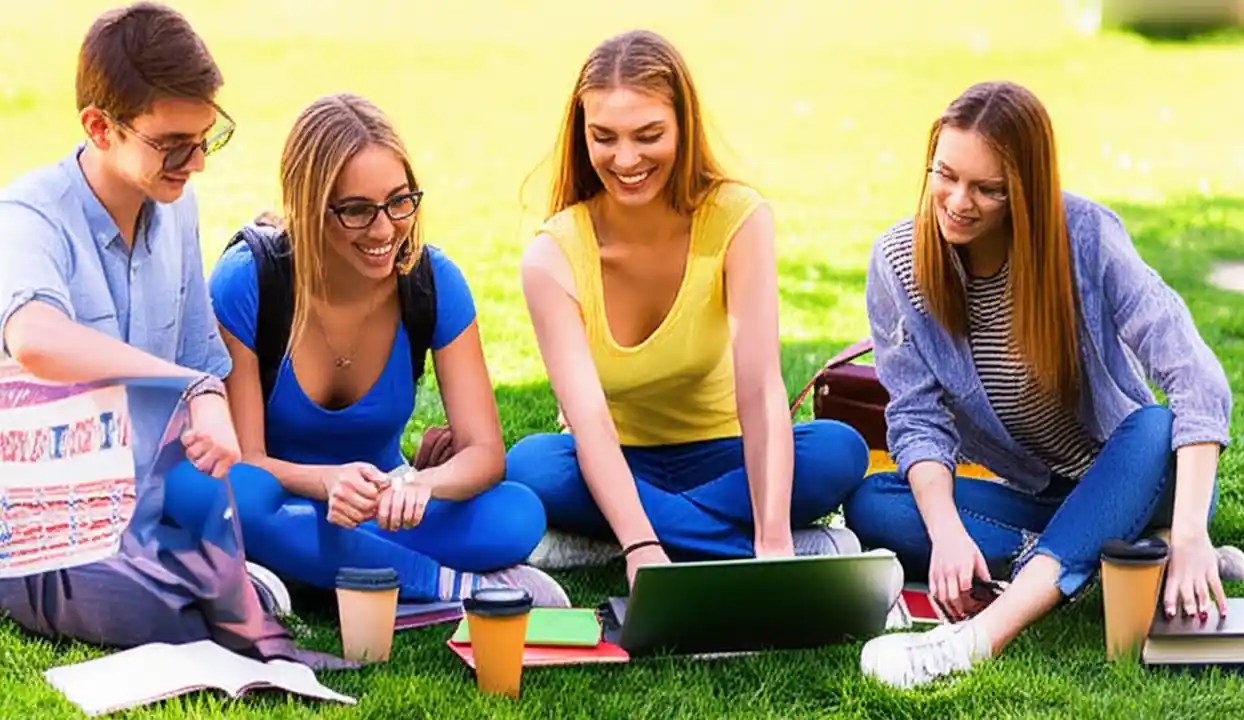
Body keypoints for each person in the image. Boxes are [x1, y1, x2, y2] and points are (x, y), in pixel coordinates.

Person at [848, 80, 1244, 688]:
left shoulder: (1086, 235)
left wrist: (1193, 533)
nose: (958, 201)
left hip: (1144, 480)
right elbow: (915, 417)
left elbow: (1193, 376)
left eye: (988, 189)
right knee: (875, 503)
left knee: (1153, 426)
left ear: (1026, 189)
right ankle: (1123, 554)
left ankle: (982, 637)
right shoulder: (898, 261)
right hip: (1042, 497)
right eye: (946, 175)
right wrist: (950, 535)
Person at [0, 2, 341, 667]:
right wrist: (183, 383)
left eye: (206, 137)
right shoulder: (28, 215)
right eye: (173, 144)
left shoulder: (174, 206)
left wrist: (207, 400)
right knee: (160, 610)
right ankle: (217, 586)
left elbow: (199, 357)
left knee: (249, 492)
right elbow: (35, 338)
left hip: (147, 500)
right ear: (100, 127)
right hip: (43, 517)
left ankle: (218, 579)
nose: (197, 163)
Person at [168, 93, 568, 607]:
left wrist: (425, 485)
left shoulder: (433, 281)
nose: (384, 230)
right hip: (281, 496)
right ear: (310, 209)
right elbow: (246, 459)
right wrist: (328, 482)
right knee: (219, 495)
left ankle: (297, 568)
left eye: (399, 202)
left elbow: (484, 454)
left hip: (384, 506)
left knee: (517, 514)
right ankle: (452, 587)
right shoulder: (249, 280)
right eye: (356, 211)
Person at [506, 30, 871, 586]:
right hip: (617, 460)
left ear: (683, 126)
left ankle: (609, 540)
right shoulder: (553, 256)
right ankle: (763, 544)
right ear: (582, 136)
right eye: (604, 137)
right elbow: (590, 424)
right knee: (533, 465)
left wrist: (772, 536)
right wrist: (640, 544)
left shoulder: (738, 218)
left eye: (648, 135)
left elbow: (760, 388)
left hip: (728, 455)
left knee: (839, 449)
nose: (625, 159)